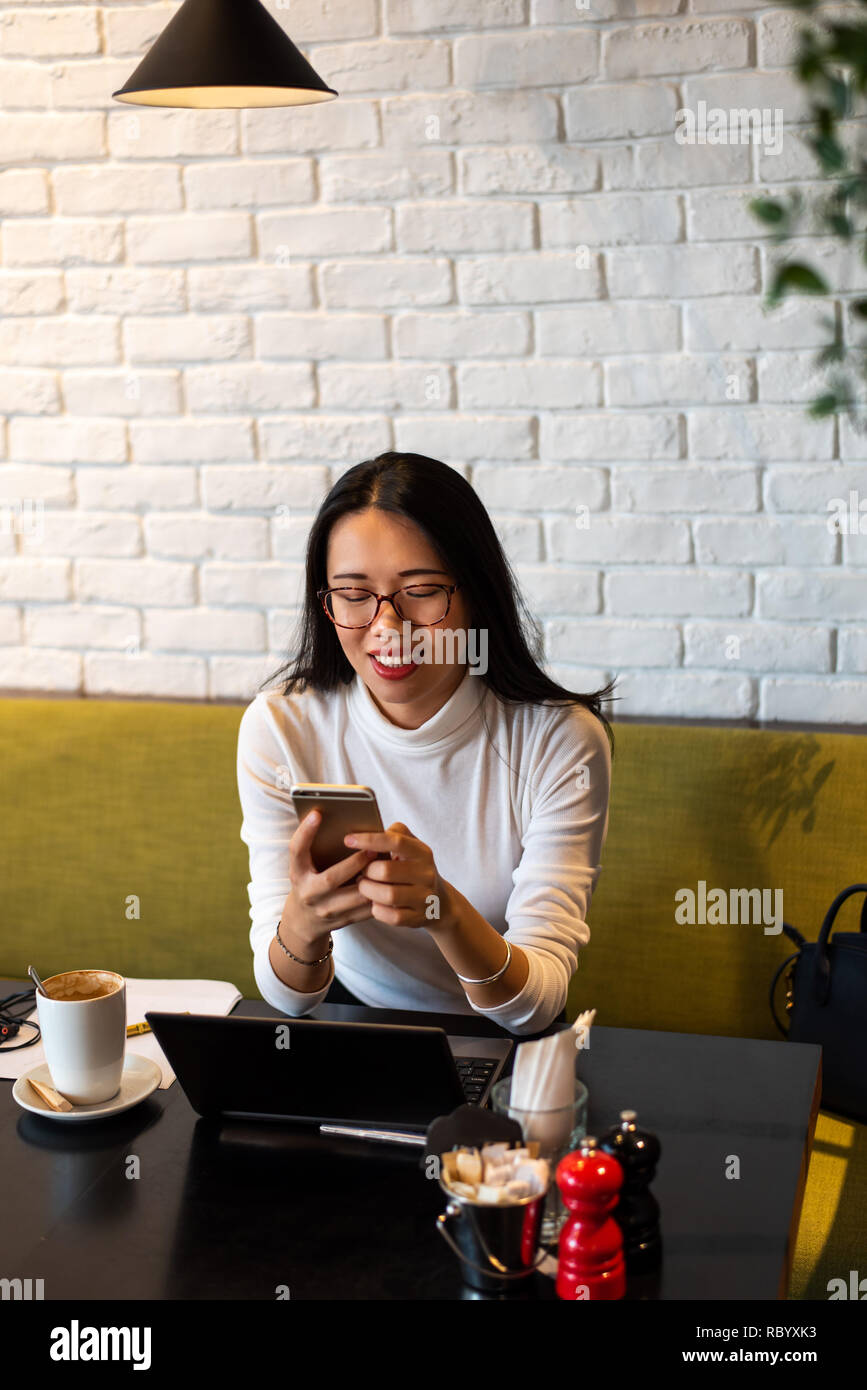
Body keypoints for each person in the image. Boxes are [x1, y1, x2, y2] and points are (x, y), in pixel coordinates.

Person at [236, 451, 617, 1035]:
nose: (388, 628)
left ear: (475, 595)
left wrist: (441, 907)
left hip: (506, 1042)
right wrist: (303, 920)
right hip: (358, 1030)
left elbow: (537, 1003)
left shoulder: (559, 741)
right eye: (354, 594)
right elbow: (289, 1001)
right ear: (326, 601)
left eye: (421, 591)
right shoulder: (283, 727)